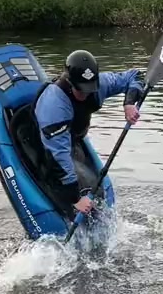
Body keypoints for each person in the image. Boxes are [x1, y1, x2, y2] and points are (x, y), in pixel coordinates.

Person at [35, 49, 144, 216]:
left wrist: (129, 103)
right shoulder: (54, 104)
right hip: (49, 146)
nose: (85, 94)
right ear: (70, 82)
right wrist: (75, 198)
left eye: (89, 89)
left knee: (96, 197)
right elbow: (58, 157)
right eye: (81, 90)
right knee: (74, 193)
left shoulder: (98, 84)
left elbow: (135, 76)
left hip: (72, 139)